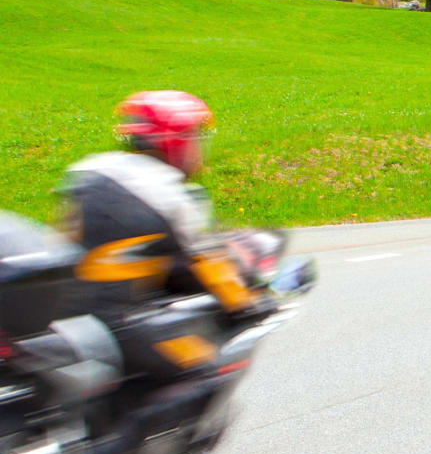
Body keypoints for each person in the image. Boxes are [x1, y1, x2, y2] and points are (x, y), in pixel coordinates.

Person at [58, 91, 273, 341]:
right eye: (194, 137)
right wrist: (251, 304)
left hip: (71, 320)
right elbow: (207, 267)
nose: (198, 148)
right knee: (202, 357)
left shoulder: (92, 169)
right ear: (176, 142)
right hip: (123, 328)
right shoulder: (167, 192)